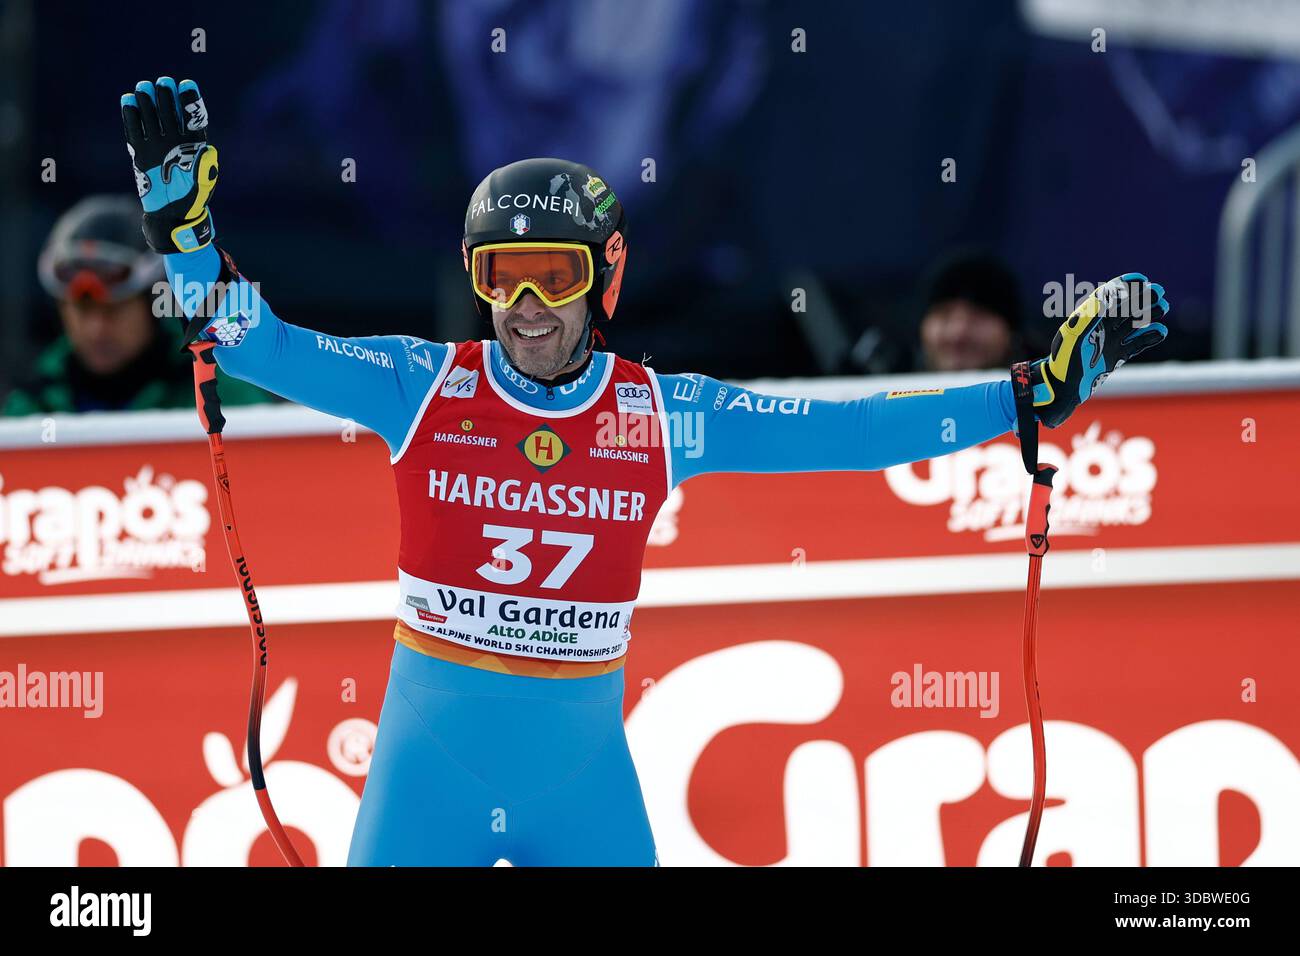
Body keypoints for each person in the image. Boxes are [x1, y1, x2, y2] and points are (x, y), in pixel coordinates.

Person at [119, 76, 1170, 866]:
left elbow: (843, 430)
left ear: (602, 278)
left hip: (581, 779)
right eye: (501, 277)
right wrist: (185, 235)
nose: (526, 304)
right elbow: (242, 334)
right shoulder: (421, 386)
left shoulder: (659, 413)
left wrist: (1023, 392)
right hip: (425, 772)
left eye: (554, 274)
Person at [2, 195, 271, 416]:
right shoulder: (32, 404)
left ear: (152, 303)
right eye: (82, 310)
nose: (96, 330)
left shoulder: (218, 389)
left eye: (113, 310)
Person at [918, 250, 1024, 372]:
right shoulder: (892, 384)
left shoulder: (1046, 387)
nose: (958, 333)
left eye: (979, 315)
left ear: (1011, 331)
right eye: (944, 315)